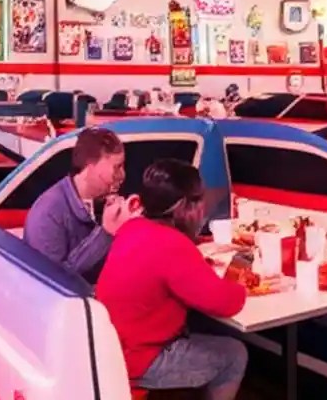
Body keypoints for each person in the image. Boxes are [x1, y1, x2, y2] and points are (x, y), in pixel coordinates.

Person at [97, 159, 248, 400]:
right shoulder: (172, 245)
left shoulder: (132, 228)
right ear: (183, 206)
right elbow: (226, 303)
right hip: (138, 359)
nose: (203, 208)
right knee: (234, 355)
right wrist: (242, 275)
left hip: (110, 350)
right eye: (199, 200)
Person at [23, 127, 132, 283]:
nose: (122, 175)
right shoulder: (48, 213)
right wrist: (105, 233)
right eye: (117, 167)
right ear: (90, 166)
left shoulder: (100, 203)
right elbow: (53, 281)